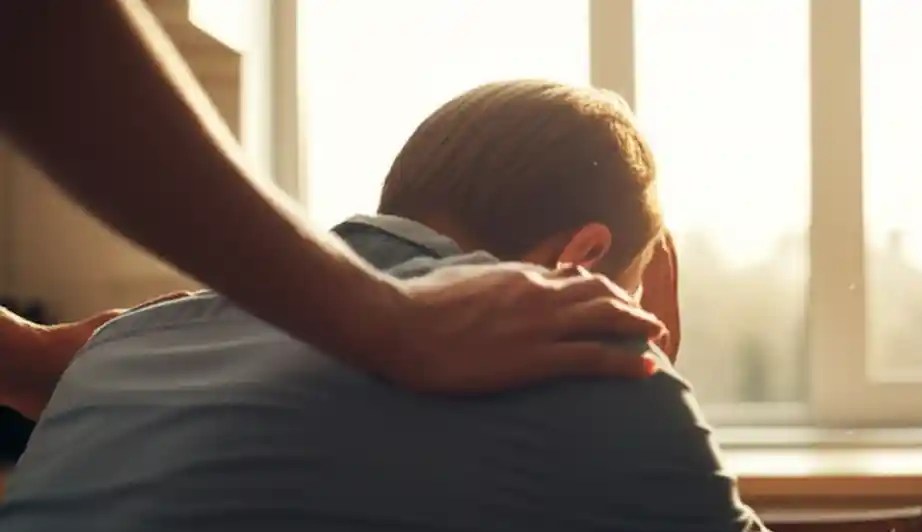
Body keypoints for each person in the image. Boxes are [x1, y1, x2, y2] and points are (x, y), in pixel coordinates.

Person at [0, 80, 864, 532]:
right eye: (638, 281)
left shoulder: (129, 344)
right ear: (581, 261)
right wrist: (655, 368)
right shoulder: (570, 362)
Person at [0, 0, 666, 412]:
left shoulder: (122, 359)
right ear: (581, 261)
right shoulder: (584, 397)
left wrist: (32, 355)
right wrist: (651, 386)